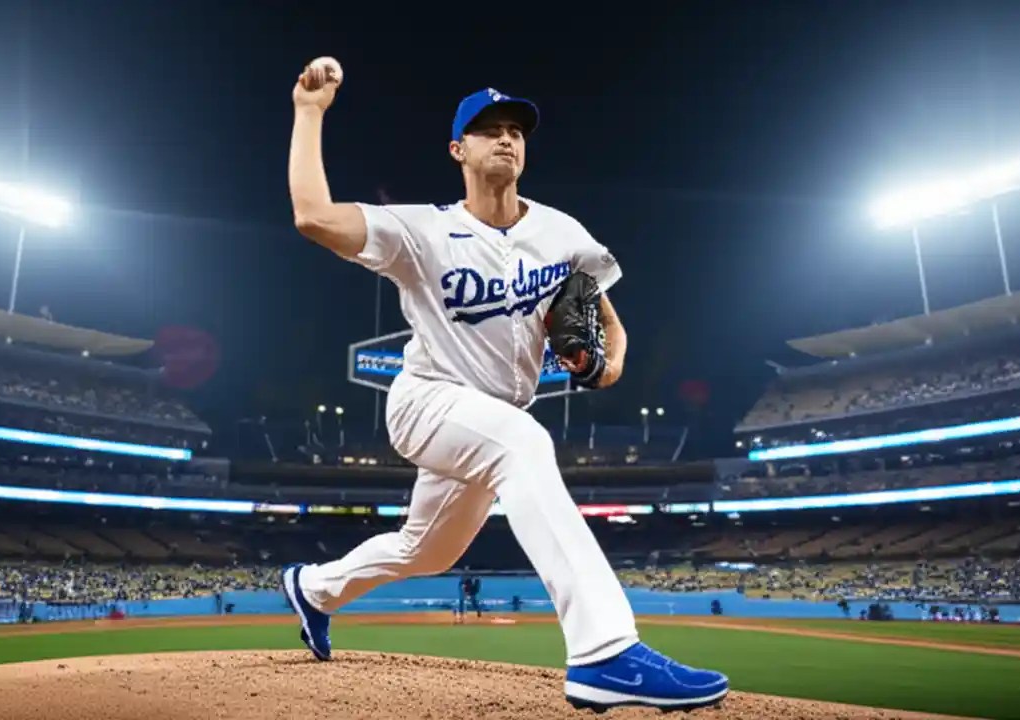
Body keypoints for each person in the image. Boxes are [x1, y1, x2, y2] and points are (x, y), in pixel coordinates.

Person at [280, 56, 729, 713]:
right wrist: (309, 113)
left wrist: (612, 364)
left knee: (425, 551)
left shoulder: (561, 232)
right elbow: (313, 216)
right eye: (490, 129)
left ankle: (314, 588)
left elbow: (608, 320)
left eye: (516, 128)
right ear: (458, 149)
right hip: (428, 401)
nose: (507, 137)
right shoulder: (423, 231)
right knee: (524, 443)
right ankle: (606, 652)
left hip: (490, 421)